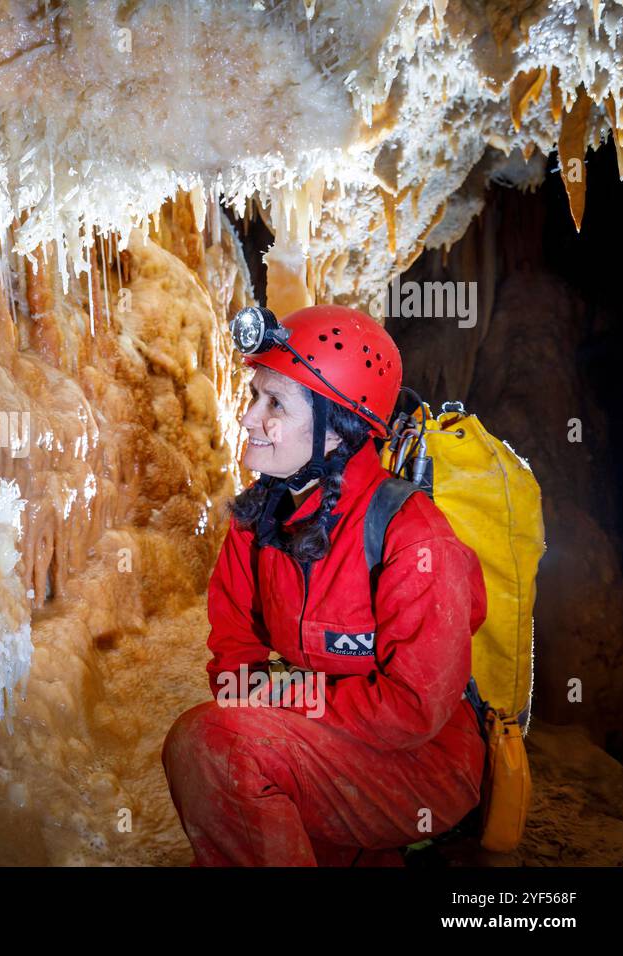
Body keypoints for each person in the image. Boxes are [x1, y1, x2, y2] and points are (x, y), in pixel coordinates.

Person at [161, 304, 487, 866]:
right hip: (328, 742)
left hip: (425, 761)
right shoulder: (261, 518)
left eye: (275, 405)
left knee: (215, 748)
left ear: (338, 427)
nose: (249, 419)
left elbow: (413, 708)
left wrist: (286, 699)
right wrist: (253, 697)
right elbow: (235, 643)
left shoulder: (412, 537)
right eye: (255, 395)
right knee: (230, 763)